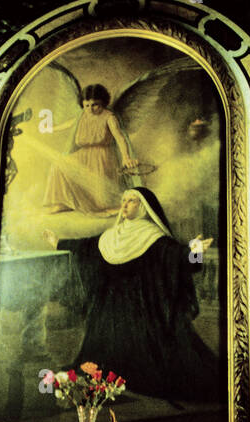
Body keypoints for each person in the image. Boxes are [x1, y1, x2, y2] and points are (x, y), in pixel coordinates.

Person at [45, 186, 218, 402]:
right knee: (101, 361)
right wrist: (59, 243)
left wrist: (194, 253)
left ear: (144, 208)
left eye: (131, 201)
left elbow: (182, 261)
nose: (124, 205)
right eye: (124, 200)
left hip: (143, 315)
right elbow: (87, 246)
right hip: (108, 313)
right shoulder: (112, 235)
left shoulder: (155, 239)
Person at [42, 84, 139, 215]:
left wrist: (126, 157)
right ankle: (64, 202)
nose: (90, 109)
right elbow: (70, 123)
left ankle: (102, 205)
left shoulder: (109, 117)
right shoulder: (83, 115)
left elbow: (120, 138)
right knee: (58, 165)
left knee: (101, 201)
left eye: (95, 105)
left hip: (102, 156)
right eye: (87, 105)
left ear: (103, 103)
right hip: (83, 154)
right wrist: (53, 128)